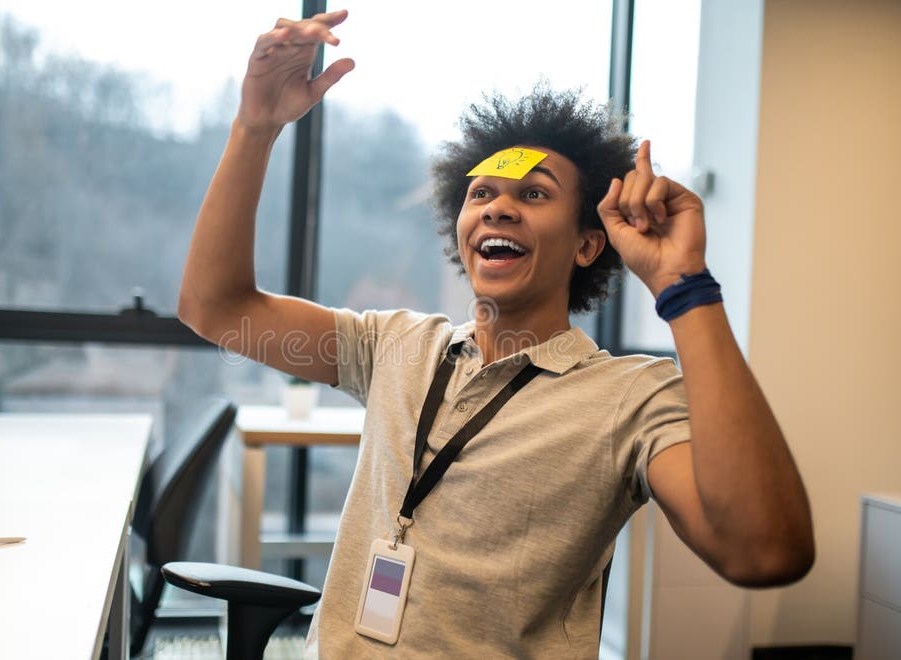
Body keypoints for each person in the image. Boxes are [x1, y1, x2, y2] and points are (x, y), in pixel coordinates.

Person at [178, 9, 814, 658]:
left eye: (535, 195)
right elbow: (217, 308)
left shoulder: (631, 399)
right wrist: (254, 128)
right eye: (481, 193)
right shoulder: (396, 347)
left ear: (589, 243)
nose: (498, 206)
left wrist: (687, 287)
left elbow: (764, 552)